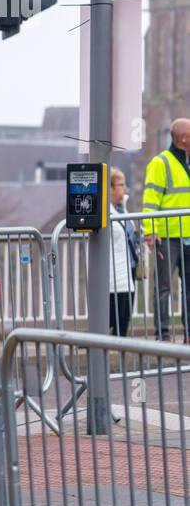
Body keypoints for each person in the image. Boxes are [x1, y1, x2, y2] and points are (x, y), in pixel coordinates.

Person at [142, 119, 190, 342]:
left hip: (188, 235)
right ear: (184, 138)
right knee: (163, 288)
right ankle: (163, 335)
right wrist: (150, 231)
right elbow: (150, 199)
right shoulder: (160, 163)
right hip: (168, 236)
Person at [108, 168, 140, 337]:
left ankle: (119, 354)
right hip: (114, 276)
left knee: (125, 318)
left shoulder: (123, 209)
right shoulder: (106, 212)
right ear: (110, 188)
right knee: (115, 319)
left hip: (129, 270)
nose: (125, 188)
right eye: (121, 185)